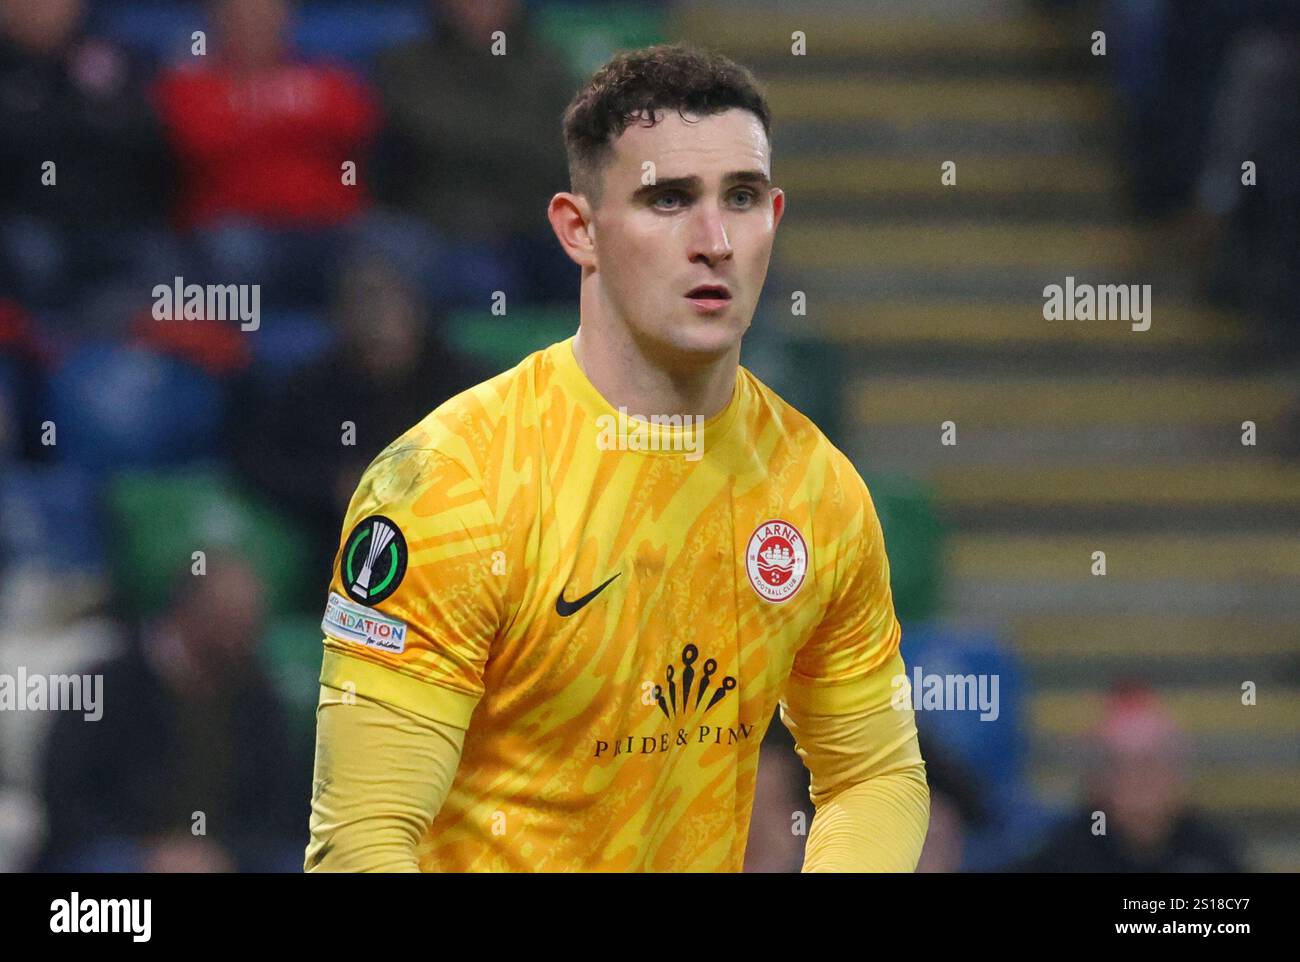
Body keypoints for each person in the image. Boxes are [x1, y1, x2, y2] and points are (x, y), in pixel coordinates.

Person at [305, 44, 929, 872]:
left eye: (740, 199)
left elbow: (874, 774)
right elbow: (362, 843)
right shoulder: (447, 486)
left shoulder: (817, 488)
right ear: (579, 229)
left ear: (772, 219)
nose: (714, 240)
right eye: (668, 199)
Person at [1012, 685, 1245, 872]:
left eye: (1152, 765)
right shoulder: (1063, 855)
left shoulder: (1212, 851)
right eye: (1124, 767)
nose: (1140, 782)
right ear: (1098, 781)